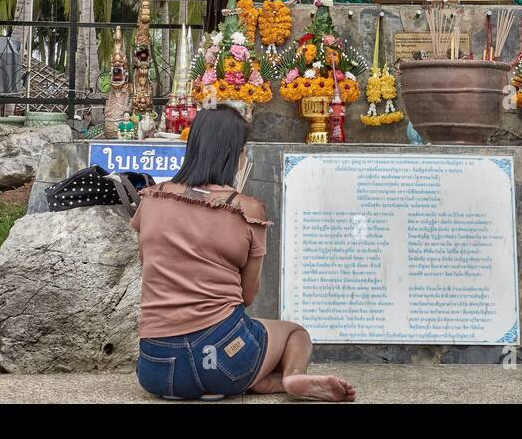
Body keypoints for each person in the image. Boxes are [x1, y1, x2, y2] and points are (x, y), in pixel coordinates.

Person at [131, 104, 356, 402]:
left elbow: (148, 266)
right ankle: (290, 376)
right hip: (225, 357)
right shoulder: (247, 209)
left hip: (157, 370)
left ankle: (248, 380)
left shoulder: (152, 198)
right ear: (234, 154)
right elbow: (247, 296)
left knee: (224, 349)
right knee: (294, 333)